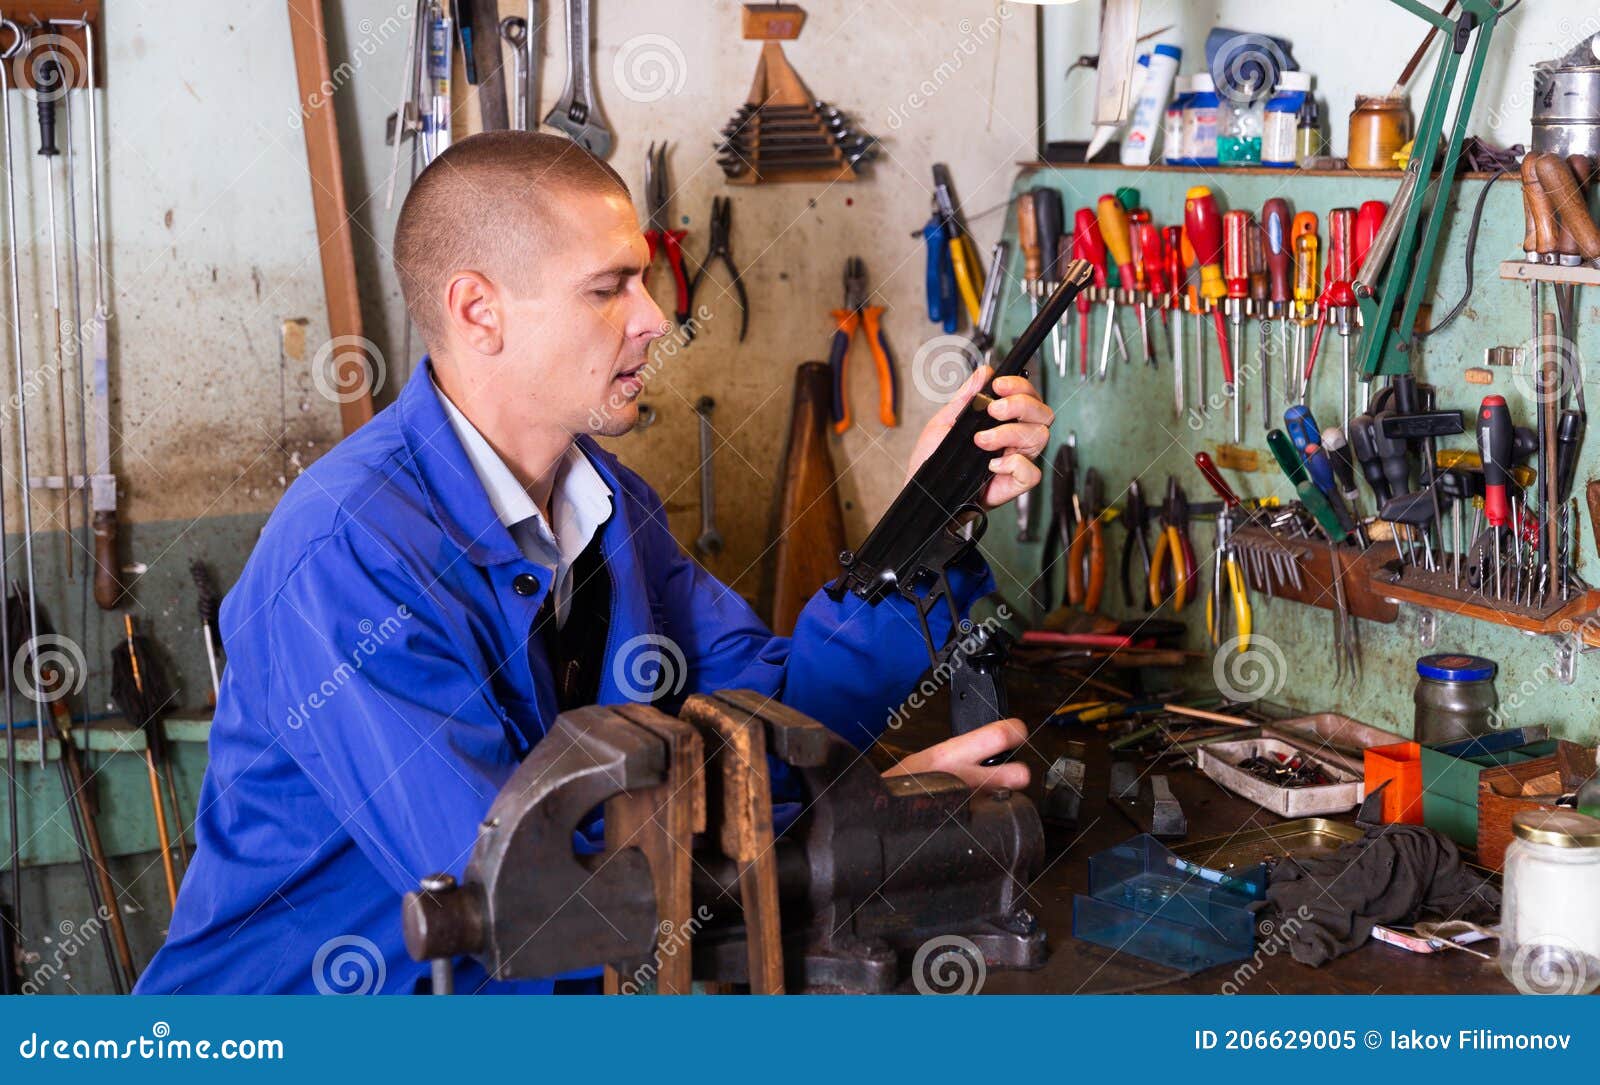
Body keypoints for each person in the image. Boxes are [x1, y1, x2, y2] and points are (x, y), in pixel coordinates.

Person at [136, 132, 1053, 994]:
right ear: (478, 309)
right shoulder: (348, 556)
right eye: (609, 287)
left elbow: (777, 719)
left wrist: (930, 517)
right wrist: (850, 831)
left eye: (644, 282)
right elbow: (524, 902)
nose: (655, 319)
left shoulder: (611, 509)